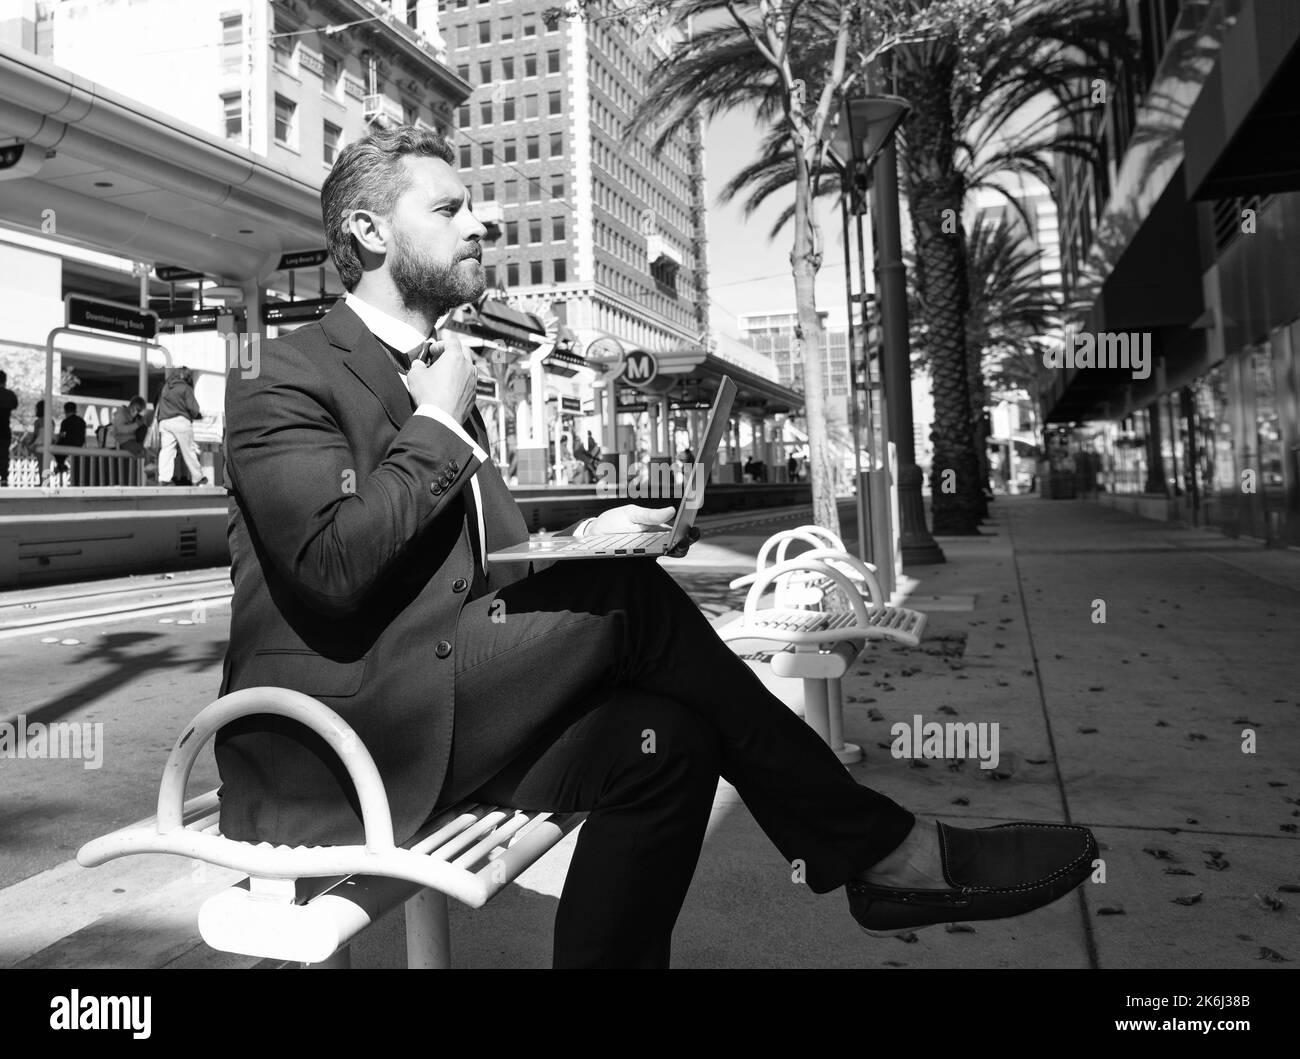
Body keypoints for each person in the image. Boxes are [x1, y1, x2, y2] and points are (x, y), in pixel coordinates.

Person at [216, 125, 1096, 969]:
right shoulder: (288, 376)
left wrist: (586, 539)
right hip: (335, 746)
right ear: (368, 232)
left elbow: (475, 574)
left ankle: (858, 859)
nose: (482, 223)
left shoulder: (439, 372)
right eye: (449, 210)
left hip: (435, 708)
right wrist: (443, 419)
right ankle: (881, 853)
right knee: (631, 608)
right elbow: (334, 566)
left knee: (666, 740)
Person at [156, 367, 207, 486]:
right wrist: (198, 415)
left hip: (164, 422)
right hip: (180, 422)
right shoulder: (185, 388)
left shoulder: (166, 388)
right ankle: (197, 477)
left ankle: (164, 478)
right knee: (189, 450)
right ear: (185, 376)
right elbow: (193, 408)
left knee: (167, 450)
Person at [0, 370, 17, 486]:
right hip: (4, 429)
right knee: (3, 455)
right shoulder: (10, 395)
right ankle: (4, 478)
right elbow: (15, 405)